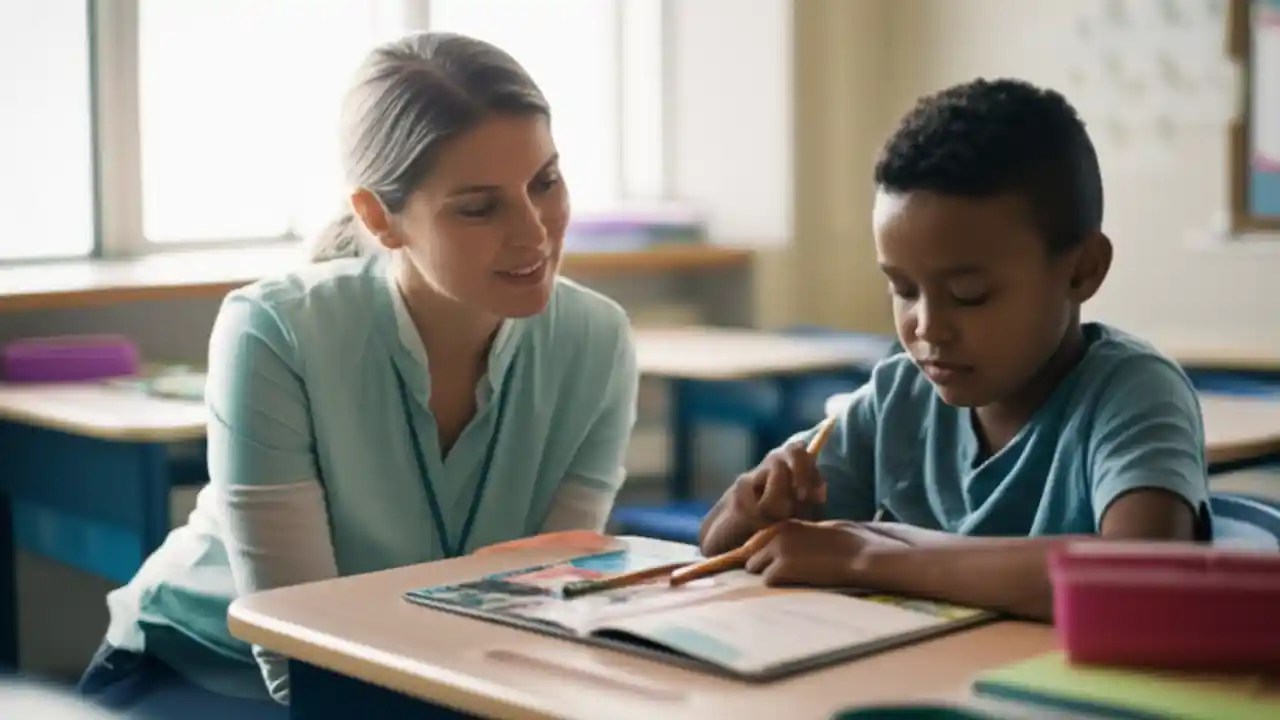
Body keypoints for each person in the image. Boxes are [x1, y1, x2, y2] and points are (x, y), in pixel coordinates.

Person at [79, 31, 638, 716]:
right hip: (201, 672)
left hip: (431, 680)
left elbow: (547, 607)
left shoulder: (598, 339)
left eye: (545, 182)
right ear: (380, 216)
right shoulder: (276, 331)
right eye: (479, 207)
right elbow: (295, 656)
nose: (536, 231)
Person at [699, 78, 1210, 621]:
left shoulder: (1132, 393)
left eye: (970, 295)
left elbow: (1139, 578)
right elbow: (717, 545)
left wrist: (872, 557)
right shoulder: (900, 395)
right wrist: (752, 505)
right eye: (903, 289)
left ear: (1081, 270)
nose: (928, 327)